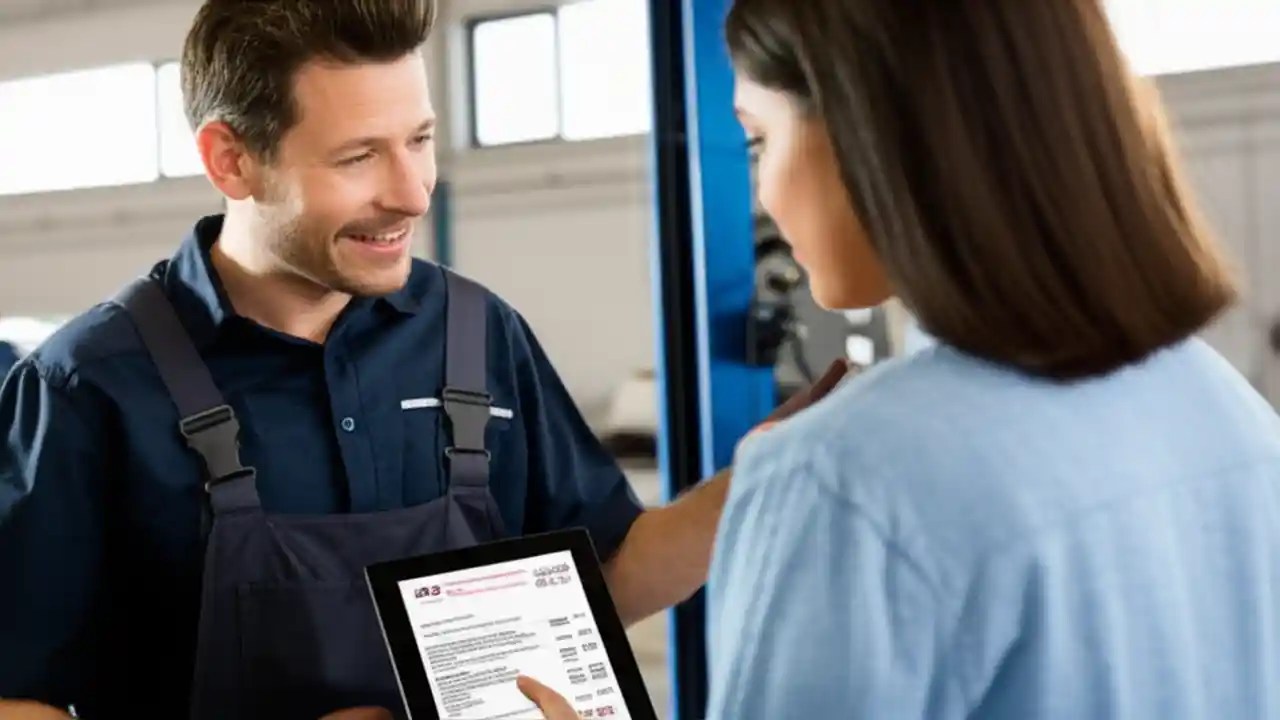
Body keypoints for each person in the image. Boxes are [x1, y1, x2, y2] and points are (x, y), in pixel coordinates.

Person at [0, 1, 845, 717]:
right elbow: (18, 695)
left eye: (421, 139)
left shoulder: (479, 335)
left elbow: (607, 572)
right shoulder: (87, 384)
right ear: (232, 159)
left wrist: (761, 478)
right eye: (359, 156)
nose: (410, 192)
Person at [521, 1, 1280, 719]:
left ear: (868, 136)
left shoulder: (847, 474)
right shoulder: (1225, 406)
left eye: (760, 140)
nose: (765, 193)